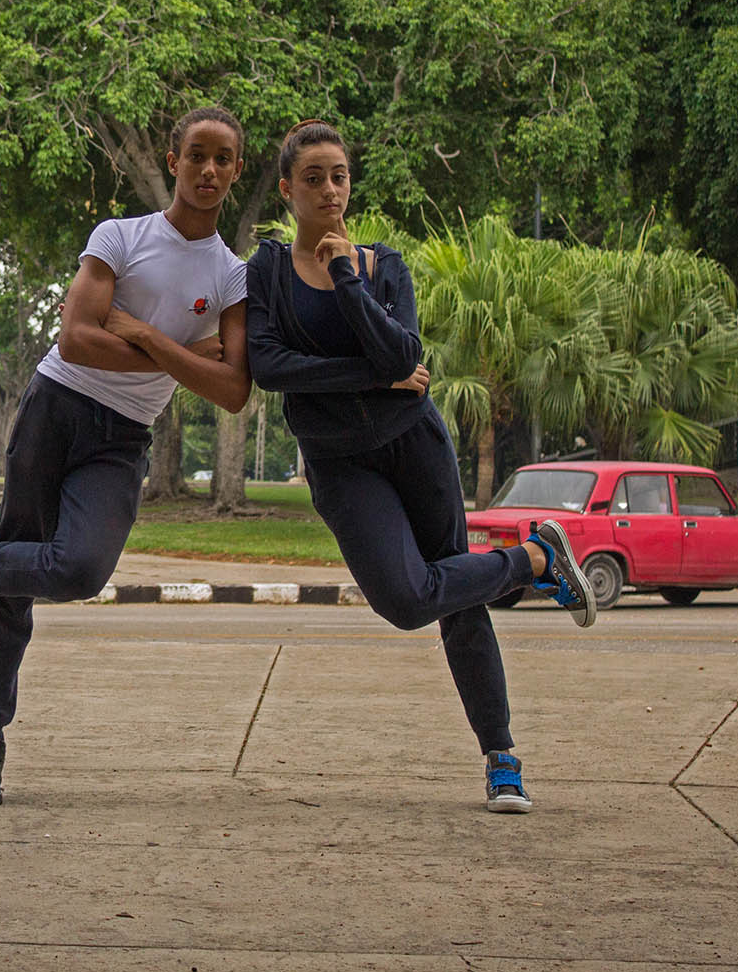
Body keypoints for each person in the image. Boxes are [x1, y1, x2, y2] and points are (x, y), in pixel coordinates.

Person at [0, 107, 253, 807]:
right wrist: (180, 354)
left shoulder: (232, 276)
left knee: (77, 570)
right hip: (56, 406)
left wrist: (137, 333)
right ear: (173, 159)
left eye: (224, 159)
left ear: (238, 171)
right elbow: (76, 340)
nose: (210, 171)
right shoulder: (121, 237)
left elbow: (230, 390)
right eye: (198, 155)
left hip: (124, 436)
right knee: (16, 571)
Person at [241, 118, 595, 813]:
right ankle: (531, 561)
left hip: (414, 444)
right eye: (312, 178)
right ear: (287, 189)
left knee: (457, 597)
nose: (329, 190)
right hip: (341, 465)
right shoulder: (270, 270)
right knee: (407, 599)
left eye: (339, 176)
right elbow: (271, 368)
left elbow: (403, 358)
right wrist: (370, 374)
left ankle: (502, 757)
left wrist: (346, 275)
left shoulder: (382, 266)